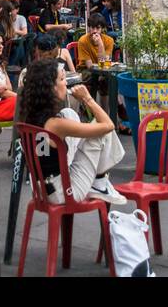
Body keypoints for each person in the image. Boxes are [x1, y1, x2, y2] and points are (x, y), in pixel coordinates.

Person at [17, 58, 127, 205]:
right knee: (101, 130)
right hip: (63, 193)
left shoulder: (31, 116)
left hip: (41, 188)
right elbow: (108, 125)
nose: (66, 83)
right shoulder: (56, 125)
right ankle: (99, 182)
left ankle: (98, 181)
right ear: (51, 88)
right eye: (62, 79)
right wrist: (87, 98)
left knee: (69, 112)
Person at [76, 12, 115, 101]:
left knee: (109, 79)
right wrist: (100, 73)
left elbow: (105, 64)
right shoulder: (83, 41)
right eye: (92, 27)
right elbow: (89, 66)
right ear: (89, 28)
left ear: (102, 29)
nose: (95, 31)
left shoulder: (109, 41)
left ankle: (107, 109)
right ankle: (91, 107)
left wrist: (100, 44)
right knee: (95, 77)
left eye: (98, 28)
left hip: (103, 70)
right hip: (84, 70)